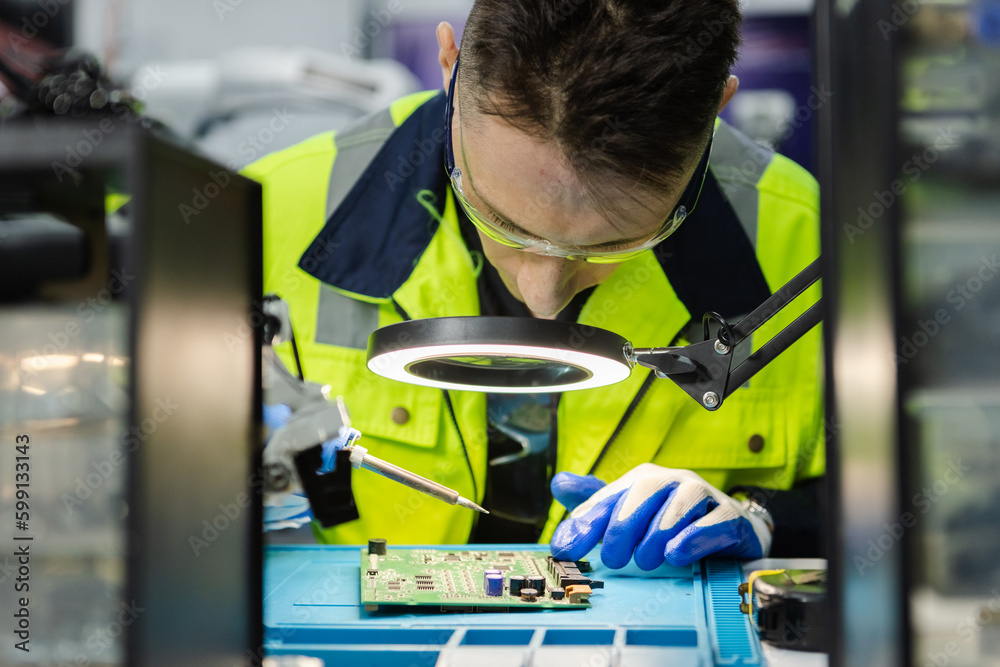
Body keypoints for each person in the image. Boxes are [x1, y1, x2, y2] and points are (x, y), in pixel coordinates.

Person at [246, 0, 824, 569]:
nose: (543, 297)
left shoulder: (809, 245)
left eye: (610, 243)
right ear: (450, 69)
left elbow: (894, 511)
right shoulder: (264, 217)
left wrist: (766, 517)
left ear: (714, 112)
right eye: (503, 222)